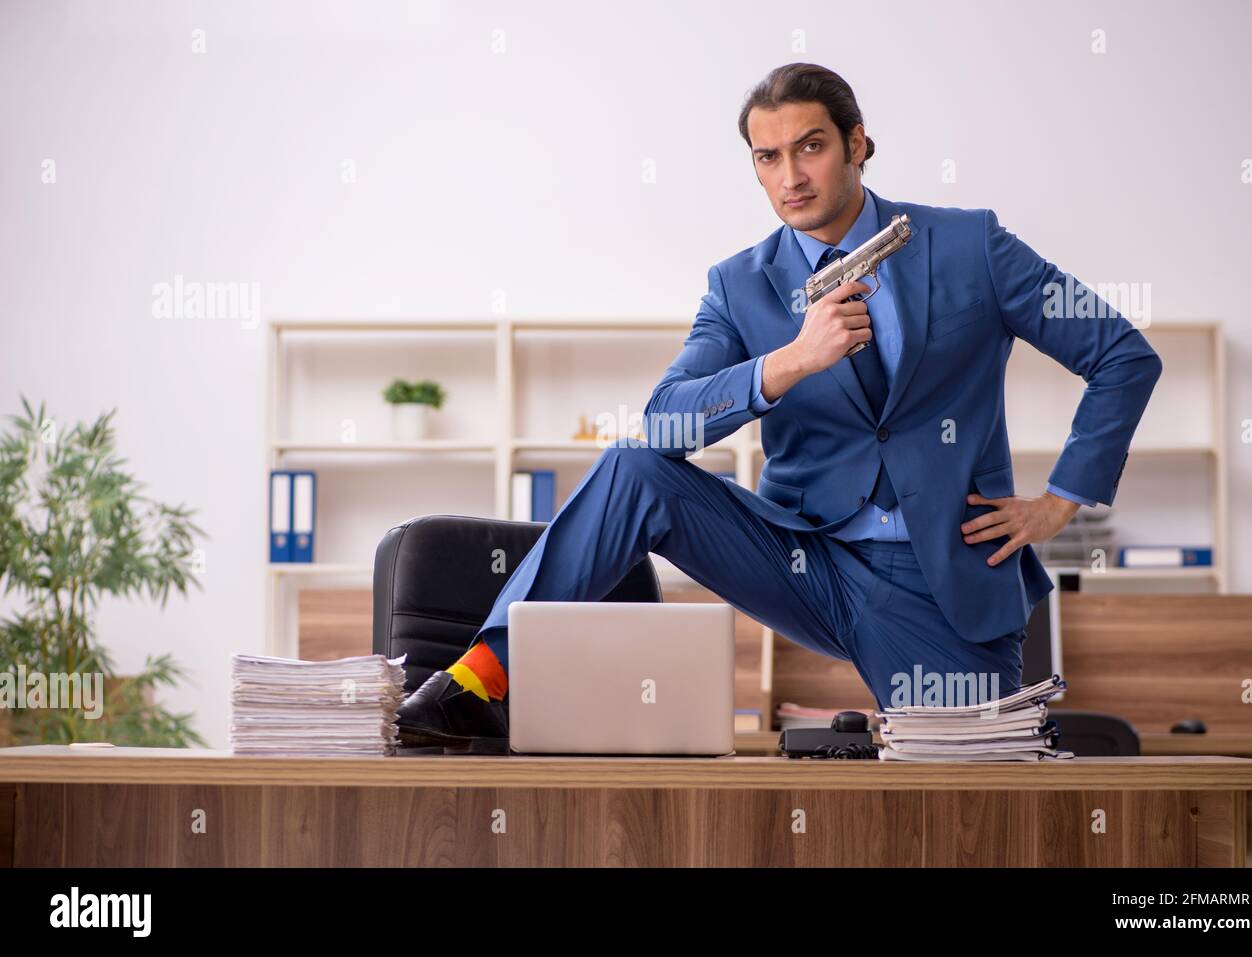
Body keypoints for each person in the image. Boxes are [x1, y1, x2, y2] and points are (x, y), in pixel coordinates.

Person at [396, 62, 1161, 747]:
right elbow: (665, 421)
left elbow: (1122, 354)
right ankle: (481, 679)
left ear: (859, 143)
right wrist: (791, 361)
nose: (791, 174)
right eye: (769, 157)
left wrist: (1060, 502)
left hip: (941, 582)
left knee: (973, 807)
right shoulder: (740, 286)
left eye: (811, 146)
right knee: (636, 469)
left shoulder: (971, 247)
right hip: (804, 557)